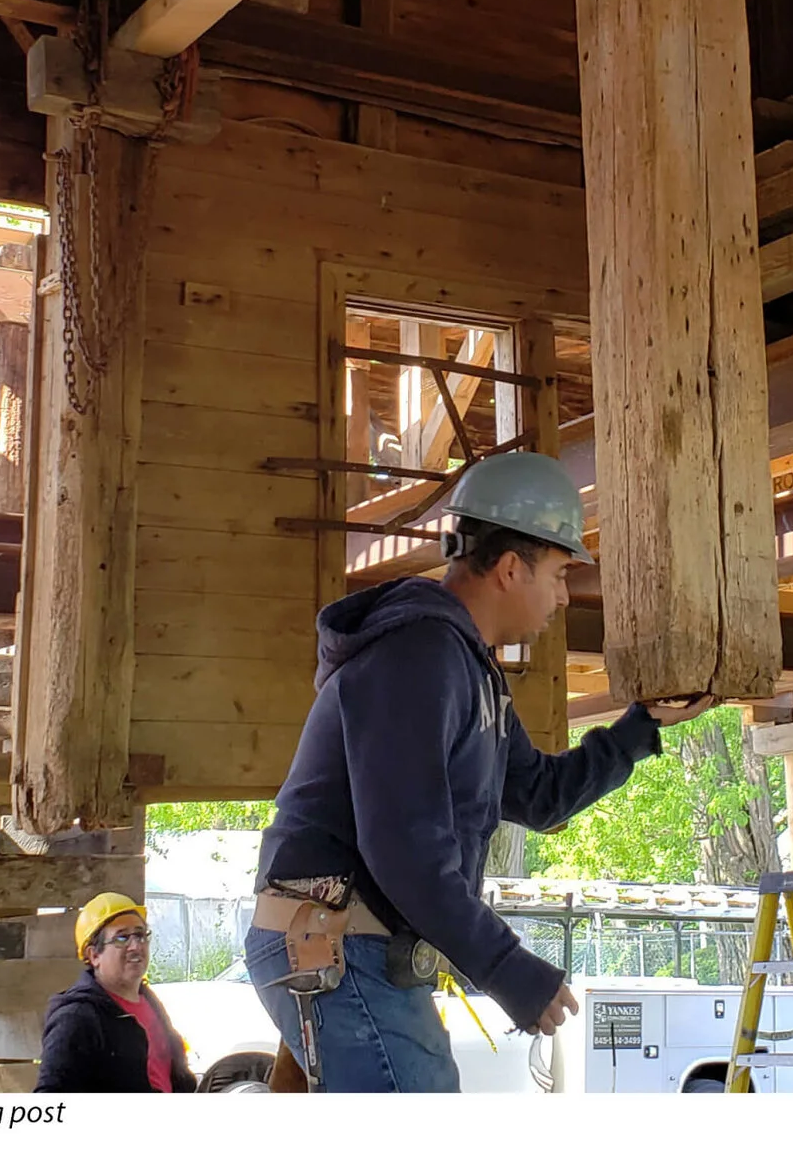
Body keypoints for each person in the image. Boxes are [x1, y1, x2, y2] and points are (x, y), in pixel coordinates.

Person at [245, 451, 719, 1092]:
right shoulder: (419, 655)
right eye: (557, 574)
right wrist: (507, 968)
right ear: (509, 568)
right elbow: (405, 848)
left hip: (351, 943)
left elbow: (540, 795)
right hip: (334, 942)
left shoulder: (469, 671)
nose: (562, 596)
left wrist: (642, 728)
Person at [36, 892, 199, 1093]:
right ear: (94, 955)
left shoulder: (148, 1001)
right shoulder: (76, 1019)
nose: (136, 946)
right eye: (122, 938)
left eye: (140, 935)